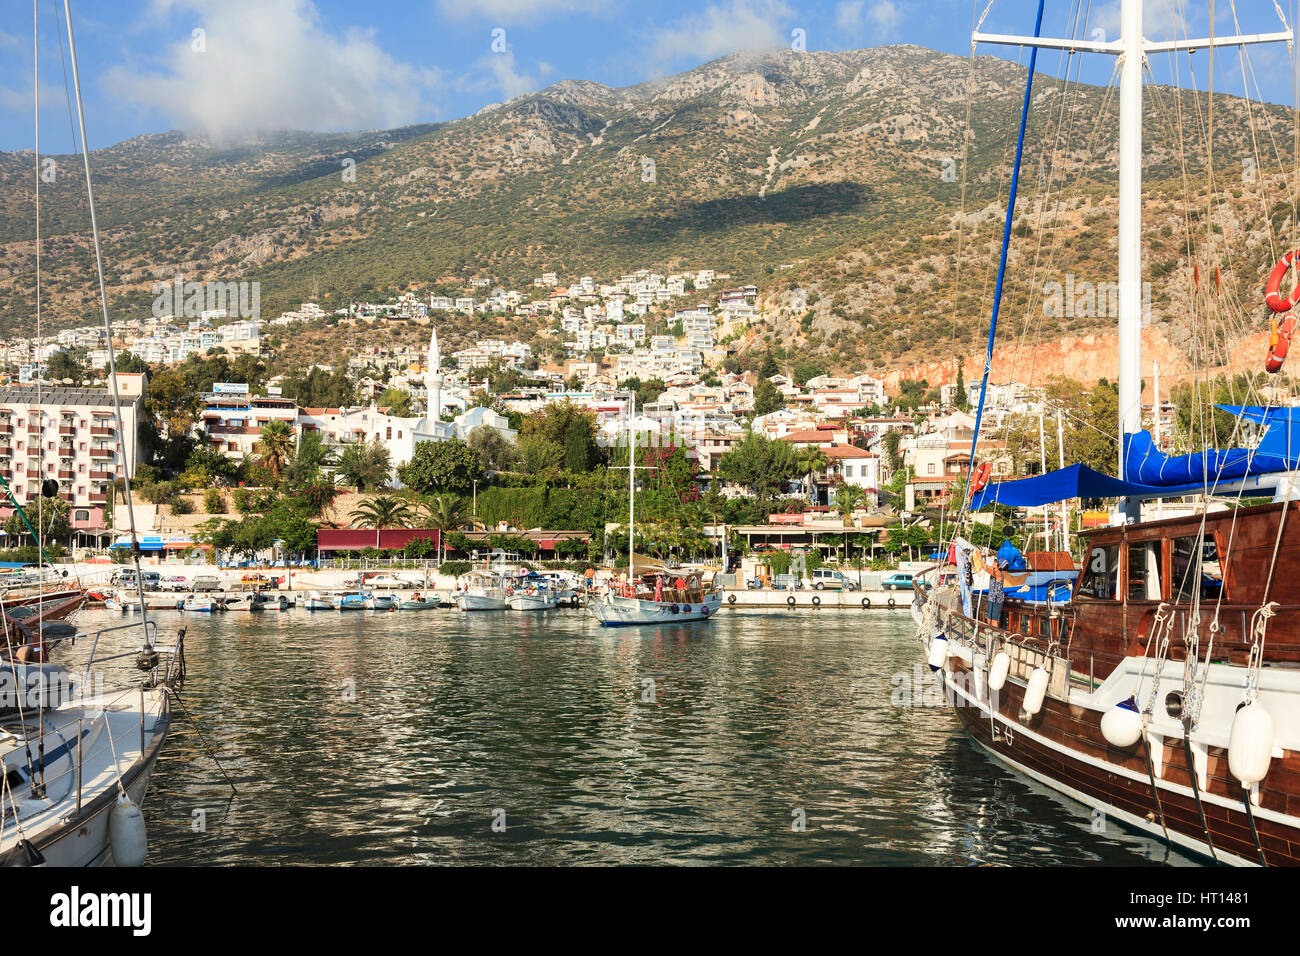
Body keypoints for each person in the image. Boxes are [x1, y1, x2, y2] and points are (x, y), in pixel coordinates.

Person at [986, 560, 1006, 625]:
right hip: (991, 598)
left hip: (997, 600)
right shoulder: (994, 571)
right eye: (993, 565)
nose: (993, 567)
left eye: (994, 567)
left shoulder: (999, 574)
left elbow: (986, 568)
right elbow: (987, 567)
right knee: (989, 620)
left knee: (994, 621)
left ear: (999, 567)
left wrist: (980, 559)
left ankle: (995, 634)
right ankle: (989, 633)